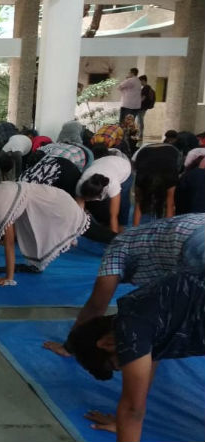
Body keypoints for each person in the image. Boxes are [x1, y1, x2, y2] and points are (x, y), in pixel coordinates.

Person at [66, 272, 205, 442]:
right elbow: (145, 373)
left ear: (105, 344)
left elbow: (132, 410)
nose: (122, 368)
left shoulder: (130, 335)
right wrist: (121, 423)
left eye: (114, 364)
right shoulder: (134, 309)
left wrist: (126, 419)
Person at [43, 214, 205, 356]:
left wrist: (70, 347)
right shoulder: (149, 240)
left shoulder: (117, 250)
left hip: (195, 244)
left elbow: (96, 305)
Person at [0, 181, 115, 287]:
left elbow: (8, 242)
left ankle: (125, 240)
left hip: (55, 207)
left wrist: (9, 277)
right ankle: (121, 239)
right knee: (92, 232)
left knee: (91, 232)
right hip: (44, 204)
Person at [76, 155, 133, 233]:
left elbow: (114, 216)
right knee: (99, 207)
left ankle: (121, 227)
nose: (86, 200)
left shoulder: (112, 185)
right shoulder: (81, 184)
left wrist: (113, 237)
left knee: (122, 203)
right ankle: (105, 223)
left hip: (123, 168)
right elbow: (79, 210)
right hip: (103, 162)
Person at [133, 143, 180, 225]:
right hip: (147, 156)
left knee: (140, 202)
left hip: (166, 155)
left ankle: (134, 231)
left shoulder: (170, 176)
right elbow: (171, 205)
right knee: (169, 203)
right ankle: (166, 231)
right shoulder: (142, 177)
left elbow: (170, 205)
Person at [137, 75, 155, 140]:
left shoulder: (146, 88)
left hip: (142, 107)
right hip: (144, 107)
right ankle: (139, 135)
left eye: (140, 81)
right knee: (139, 121)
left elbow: (143, 98)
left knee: (140, 121)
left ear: (143, 80)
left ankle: (140, 136)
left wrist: (137, 104)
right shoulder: (148, 87)